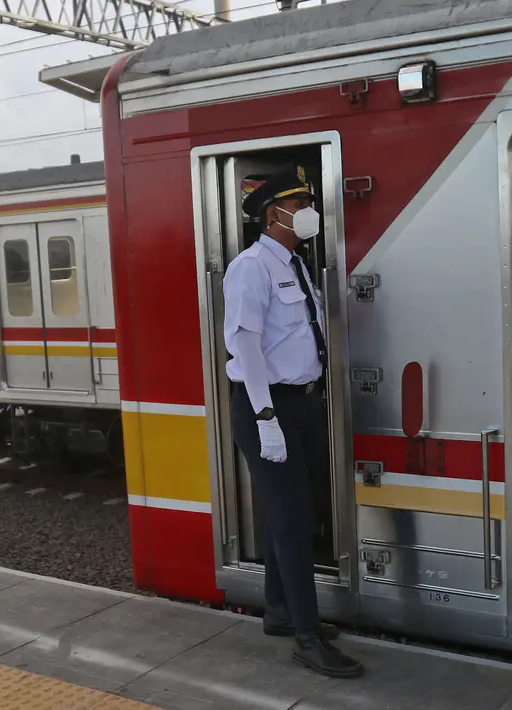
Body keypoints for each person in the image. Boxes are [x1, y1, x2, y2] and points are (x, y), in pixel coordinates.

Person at [222, 163, 365, 679]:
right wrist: (265, 417)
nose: (308, 212)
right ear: (272, 214)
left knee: (291, 513)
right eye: (299, 204)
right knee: (294, 523)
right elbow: (246, 346)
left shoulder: (297, 264)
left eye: (308, 203)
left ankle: (280, 611)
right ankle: (307, 639)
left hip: (301, 403)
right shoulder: (251, 267)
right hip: (268, 405)